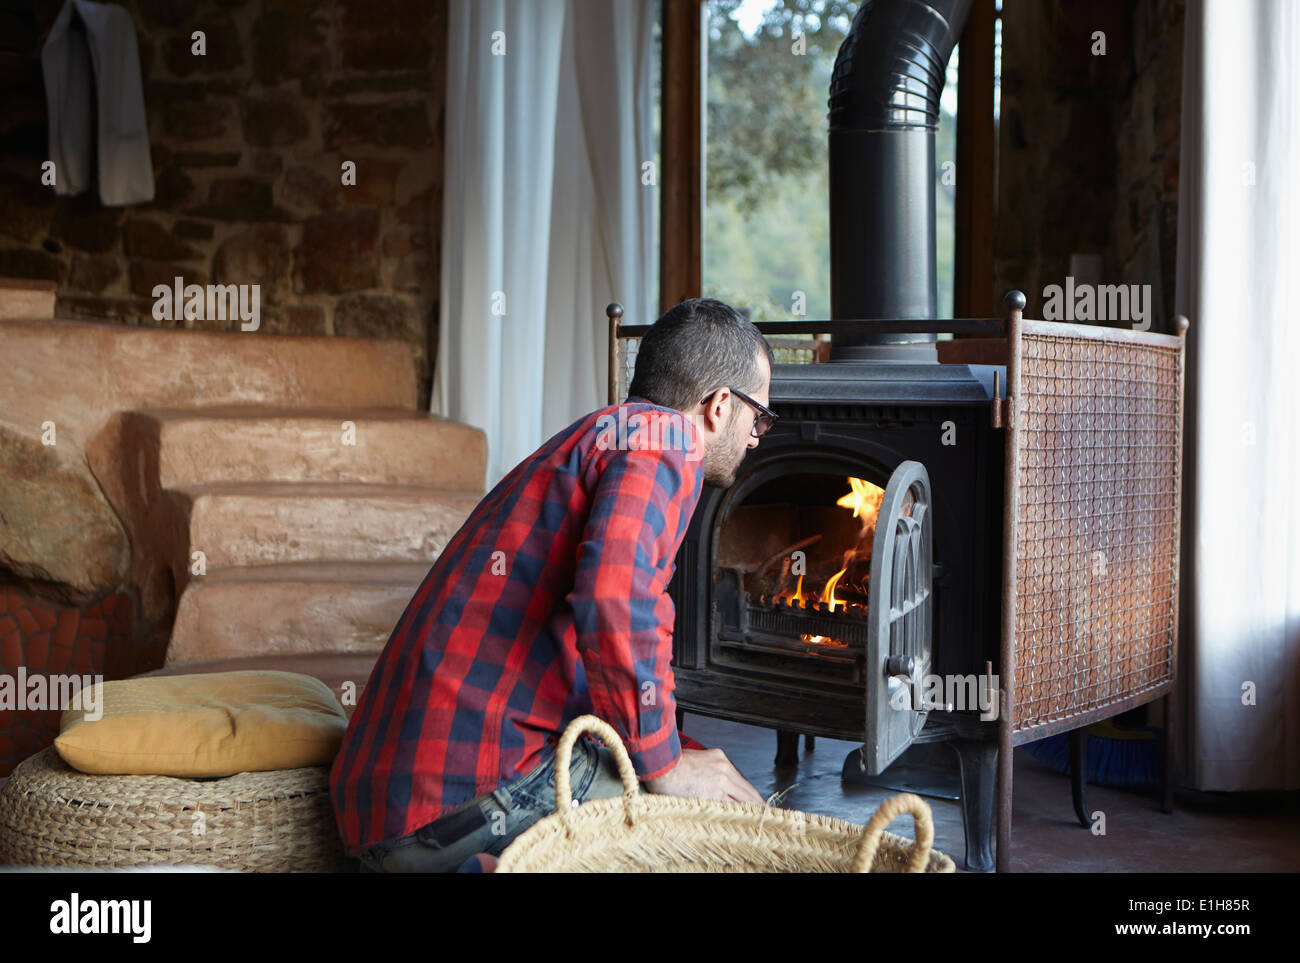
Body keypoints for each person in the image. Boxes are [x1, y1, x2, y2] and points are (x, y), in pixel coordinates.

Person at [330, 298, 777, 872]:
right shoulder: (665, 441)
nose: (757, 437)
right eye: (758, 418)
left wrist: (678, 753)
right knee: (716, 844)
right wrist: (667, 766)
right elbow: (618, 599)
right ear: (719, 406)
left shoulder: (604, 434)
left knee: (694, 779)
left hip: (381, 808)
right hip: (458, 804)